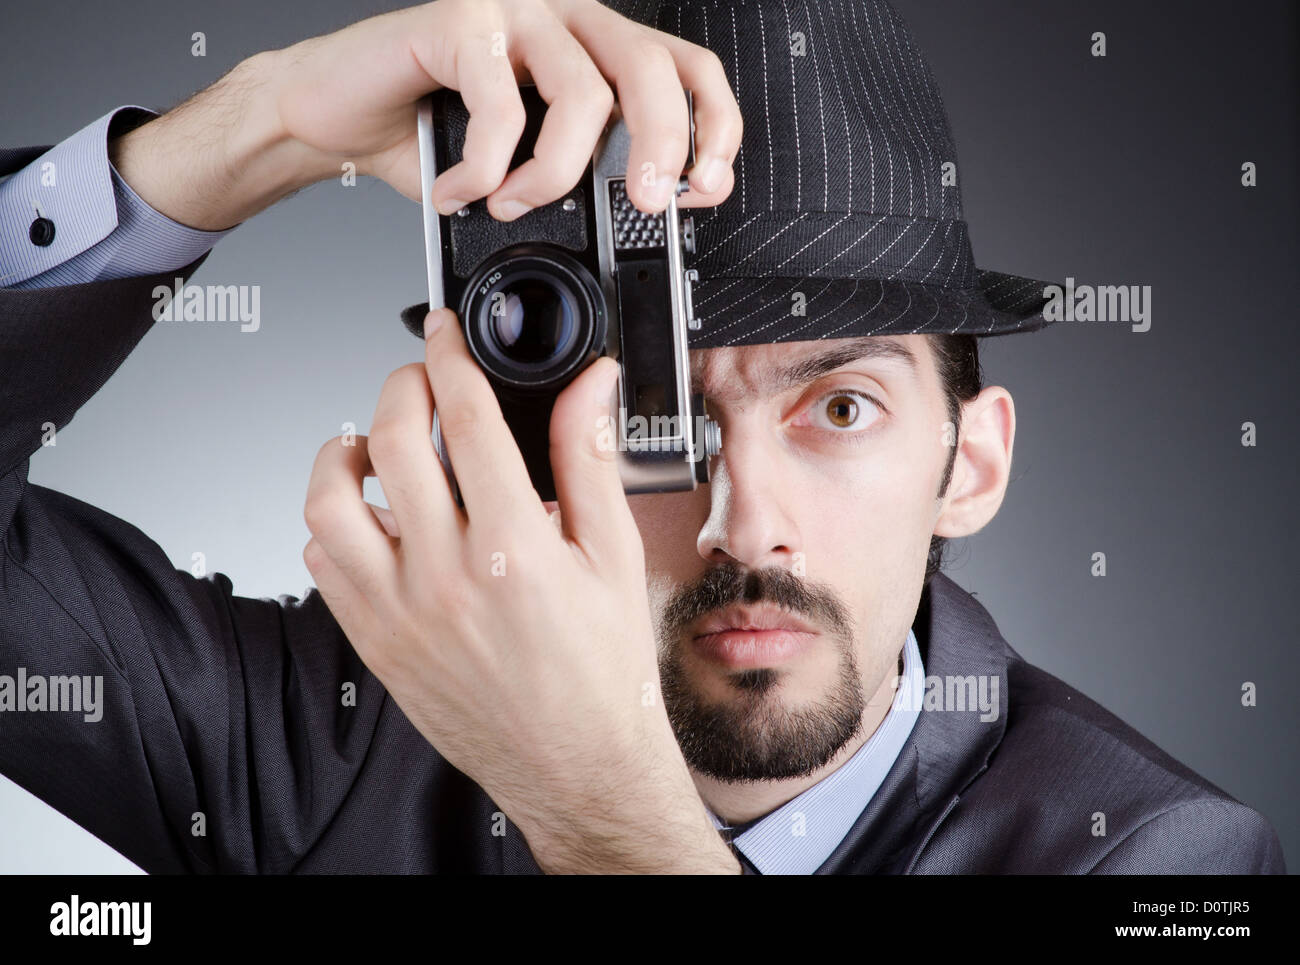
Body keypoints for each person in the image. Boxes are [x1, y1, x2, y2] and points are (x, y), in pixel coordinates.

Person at [0, 0, 1284, 874]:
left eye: (840, 406)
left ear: (973, 460)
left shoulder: (1155, 852)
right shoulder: (340, 737)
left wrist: (598, 806)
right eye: (648, 414)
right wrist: (254, 126)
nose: (743, 520)